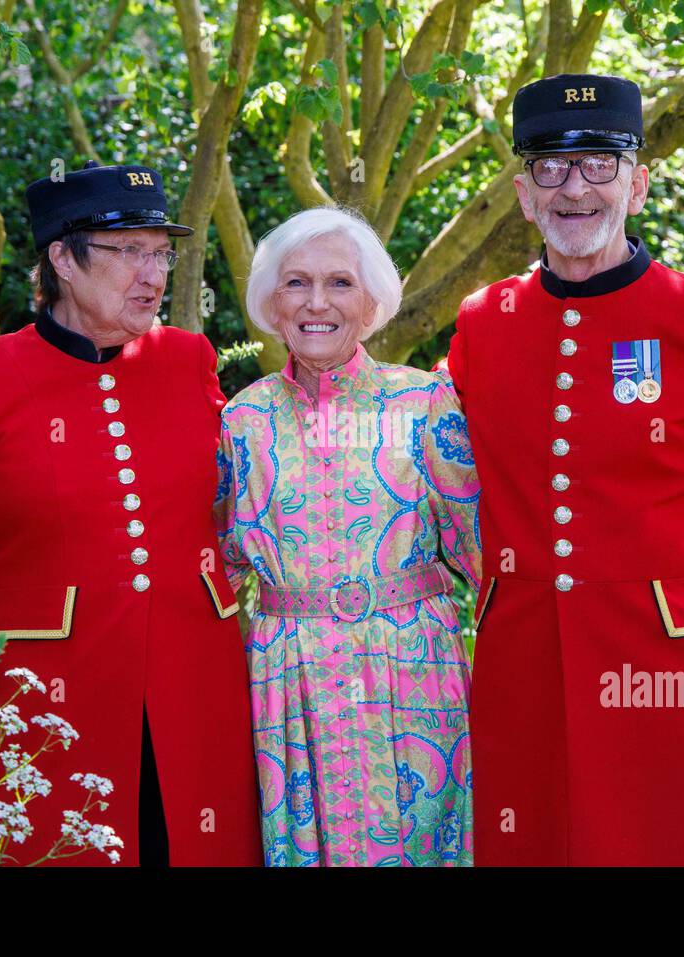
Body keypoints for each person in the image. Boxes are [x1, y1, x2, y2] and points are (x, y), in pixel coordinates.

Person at [446, 74, 684, 866]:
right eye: (550, 166)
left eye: (600, 164)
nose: (575, 187)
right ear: (523, 193)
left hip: (672, 663)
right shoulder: (483, 324)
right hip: (526, 663)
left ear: (638, 183)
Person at [0, 161, 261, 866]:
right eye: (129, 252)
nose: (153, 274)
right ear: (61, 257)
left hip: (197, 688)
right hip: (43, 708)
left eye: (161, 252)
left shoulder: (189, 359)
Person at [215, 207, 482, 866]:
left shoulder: (424, 405)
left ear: (371, 304)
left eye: (339, 283)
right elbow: (218, 569)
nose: (316, 302)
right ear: (272, 305)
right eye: (295, 283)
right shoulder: (241, 420)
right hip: (290, 687)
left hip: (414, 681)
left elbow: (484, 557)